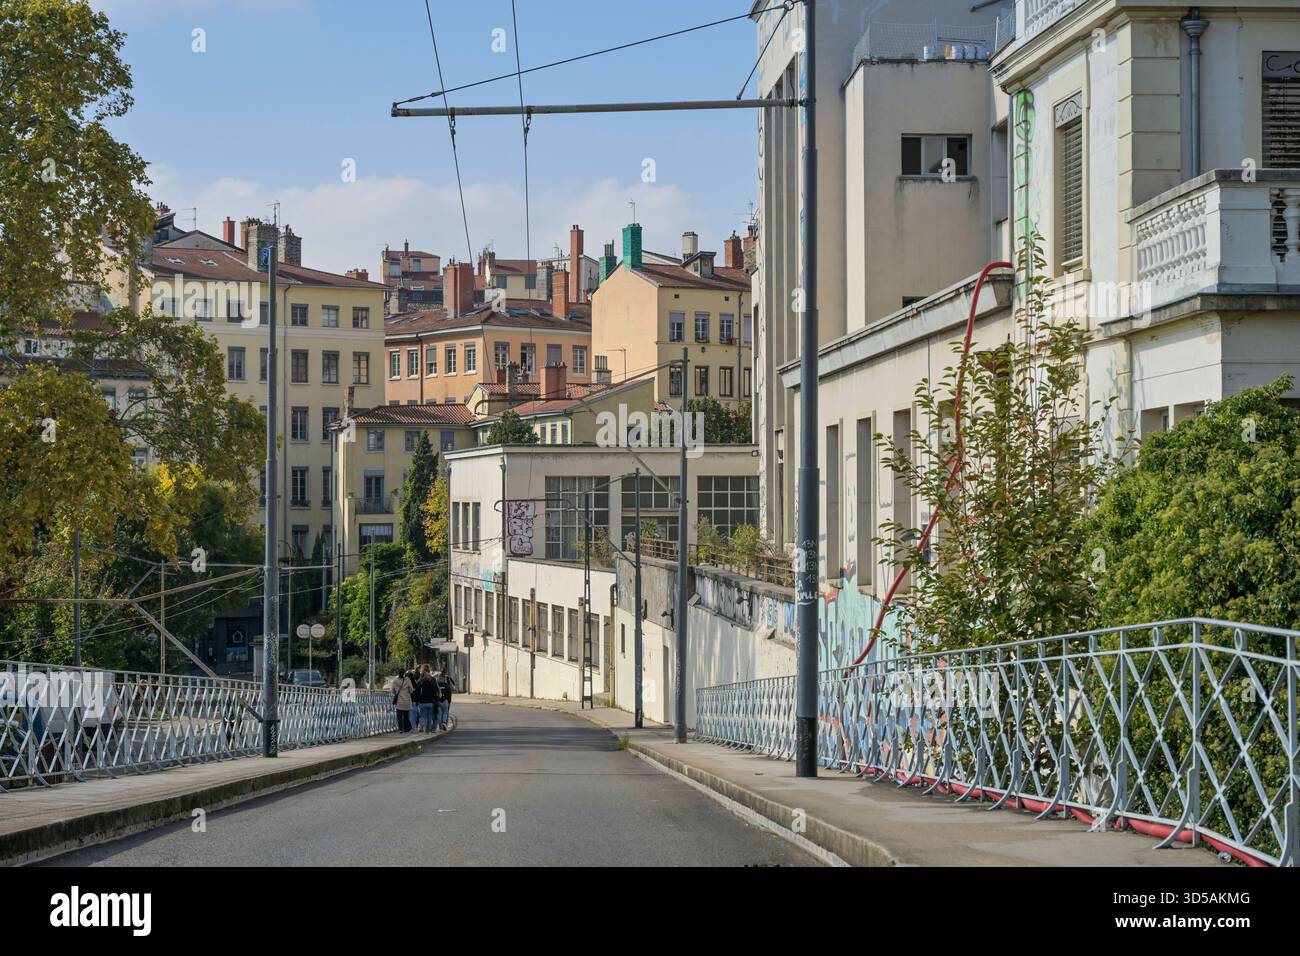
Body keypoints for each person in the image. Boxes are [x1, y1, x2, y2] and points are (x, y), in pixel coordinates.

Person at [414, 663, 436, 733]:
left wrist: (417, 700)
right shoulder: (432, 679)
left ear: (422, 670)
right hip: (430, 701)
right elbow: (435, 690)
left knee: (422, 715)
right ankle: (427, 730)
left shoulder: (420, 680)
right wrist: (435, 699)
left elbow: (417, 691)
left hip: (422, 702)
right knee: (429, 717)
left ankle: (422, 727)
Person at [391, 668, 414, 733]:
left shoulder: (395, 681)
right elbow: (411, 690)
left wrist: (397, 692)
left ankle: (401, 729)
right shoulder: (407, 680)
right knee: (406, 716)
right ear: (404, 673)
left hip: (399, 701)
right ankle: (407, 729)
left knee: (399, 716)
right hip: (407, 700)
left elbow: (393, 691)